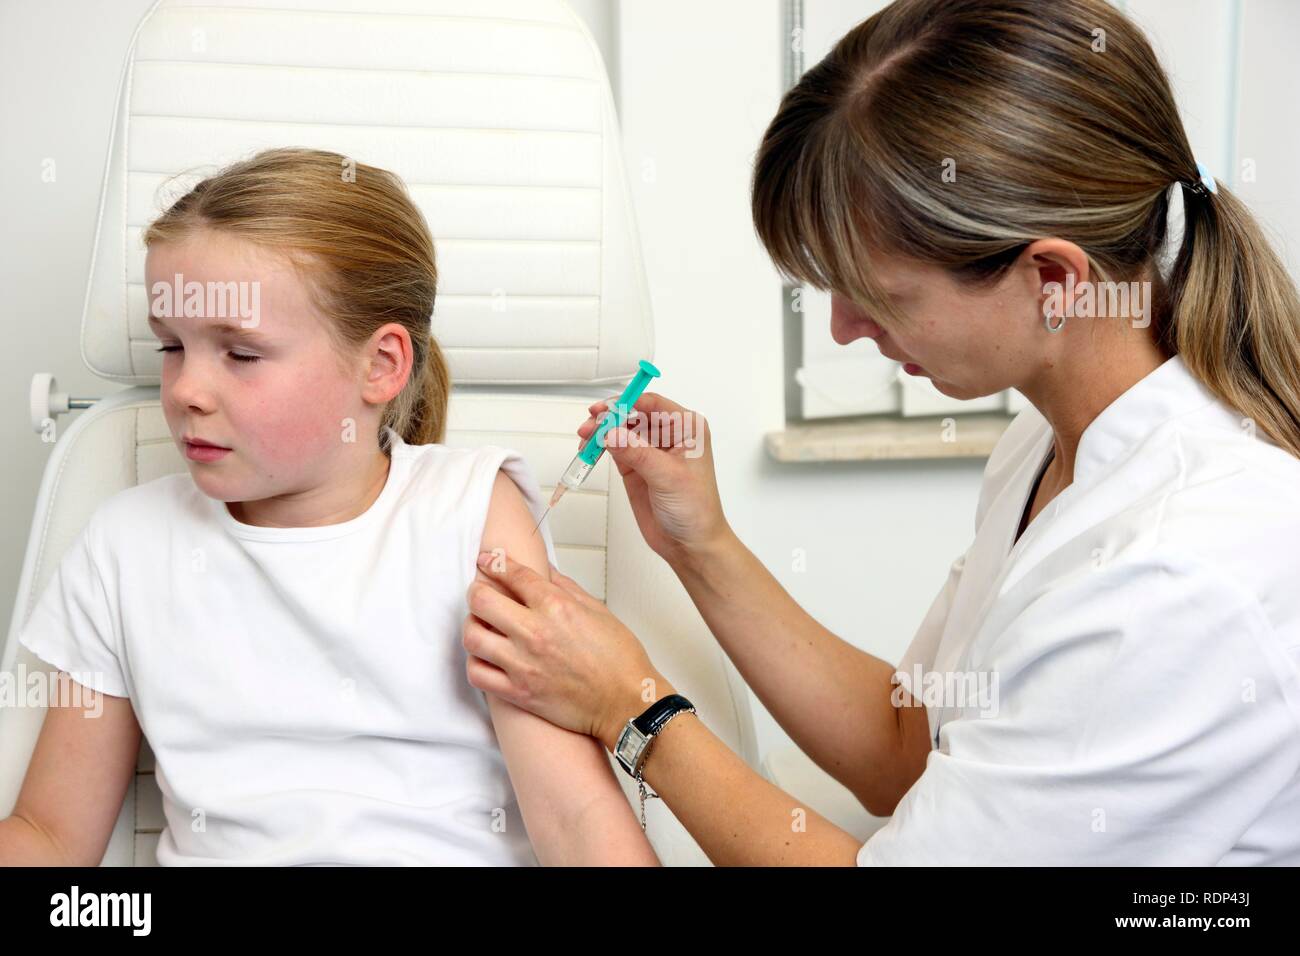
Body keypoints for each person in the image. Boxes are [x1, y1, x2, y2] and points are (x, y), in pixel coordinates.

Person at [463, 0, 1300, 865]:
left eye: (881, 296)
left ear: (1052, 279)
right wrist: (700, 543)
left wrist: (629, 706)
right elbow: (906, 746)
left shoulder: (1180, 574)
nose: (842, 331)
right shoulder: (1052, 443)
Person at [0, 147, 659, 866]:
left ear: (380, 366)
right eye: (171, 347)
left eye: (241, 354)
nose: (186, 389)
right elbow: (51, 837)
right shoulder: (125, 546)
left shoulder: (470, 514)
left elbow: (575, 817)